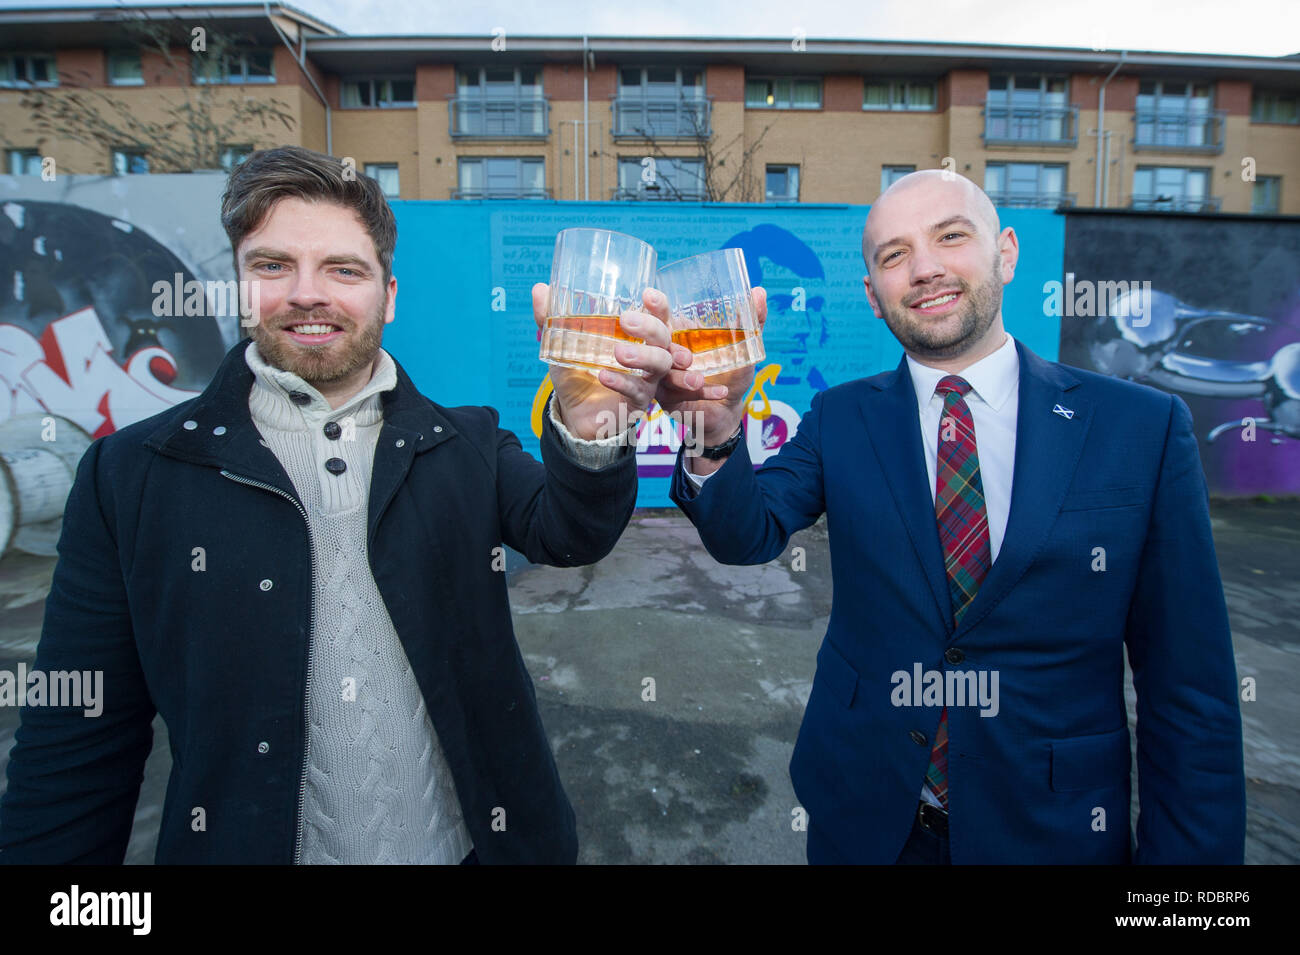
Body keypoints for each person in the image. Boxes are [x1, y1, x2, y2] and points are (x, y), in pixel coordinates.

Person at [0, 145, 681, 864]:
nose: (305, 293)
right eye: (272, 266)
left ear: (388, 294)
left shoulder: (469, 441)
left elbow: (573, 533)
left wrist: (590, 421)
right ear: (240, 282)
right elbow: (72, 754)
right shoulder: (129, 475)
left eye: (342, 269)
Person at [657, 169, 1246, 864]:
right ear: (874, 297)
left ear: (1007, 252)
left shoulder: (1140, 428)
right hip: (867, 820)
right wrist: (714, 432)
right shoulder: (842, 417)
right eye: (894, 254)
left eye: (950, 236)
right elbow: (743, 535)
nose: (926, 267)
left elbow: (1191, 690)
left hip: (1052, 832)